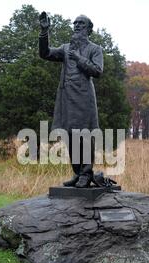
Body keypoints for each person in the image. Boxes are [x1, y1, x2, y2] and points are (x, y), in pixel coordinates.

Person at [39, 12, 104, 188]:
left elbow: (97, 71)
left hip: (84, 98)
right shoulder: (66, 48)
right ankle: (77, 172)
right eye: (75, 23)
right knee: (69, 136)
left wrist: (79, 58)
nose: (76, 26)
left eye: (81, 24)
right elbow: (45, 53)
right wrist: (44, 33)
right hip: (67, 99)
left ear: (89, 29)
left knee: (84, 135)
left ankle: (86, 172)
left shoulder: (95, 49)